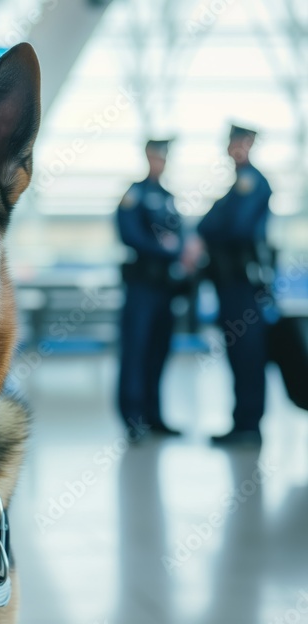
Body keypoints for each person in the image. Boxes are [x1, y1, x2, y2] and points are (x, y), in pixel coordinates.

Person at [197, 124, 272, 446]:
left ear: (250, 144)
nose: (235, 147)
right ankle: (242, 422)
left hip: (243, 285)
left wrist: (210, 229)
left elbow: (236, 228)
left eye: (242, 142)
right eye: (232, 142)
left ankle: (249, 426)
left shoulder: (251, 182)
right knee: (237, 354)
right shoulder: (235, 186)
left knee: (248, 355)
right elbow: (207, 224)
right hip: (229, 285)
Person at [116, 139, 185, 439]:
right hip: (141, 286)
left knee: (159, 350)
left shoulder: (169, 197)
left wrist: (175, 249)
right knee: (137, 350)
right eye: (156, 155)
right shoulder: (135, 194)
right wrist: (165, 249)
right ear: (147, 156)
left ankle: (154, 416)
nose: (160, 161)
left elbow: (181, 236)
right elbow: (129, 235)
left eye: (164, 157)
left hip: (165, 288)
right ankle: (133, 418)